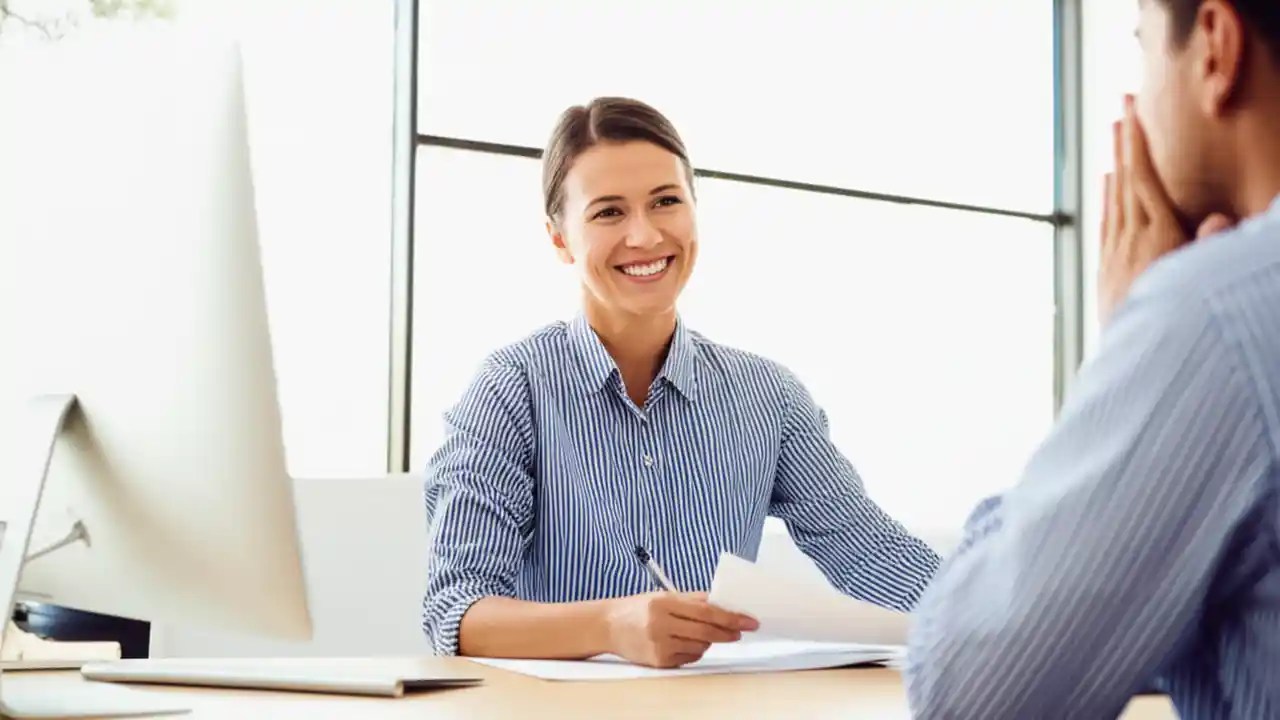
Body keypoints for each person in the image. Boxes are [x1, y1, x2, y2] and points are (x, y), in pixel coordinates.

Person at [421, 97, 940, 668]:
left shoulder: (769, 396)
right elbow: (455, 611)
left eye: (666, 202)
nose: (644, 237)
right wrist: (612, 624)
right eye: (608, 213)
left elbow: (869, 551)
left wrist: (1010, 618)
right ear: (559, 238)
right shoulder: (509, 390)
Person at [905, 0, 1280, 717]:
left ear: (1215, 49)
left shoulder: (1214, 314)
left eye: (1143, 50)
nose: (1136, 100)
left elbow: (971, 698)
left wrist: (1121, 357)